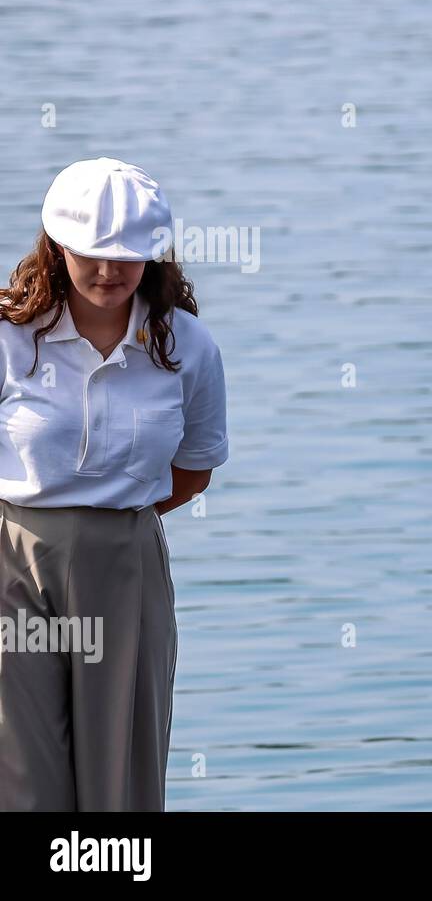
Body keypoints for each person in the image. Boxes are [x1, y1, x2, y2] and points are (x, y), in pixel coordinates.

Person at [0, 158, 229, 811]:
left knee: (120, 777)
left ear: (154, 253)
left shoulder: (187, 346)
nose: (108, 271)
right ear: (58, 248)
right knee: (17, 770)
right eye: (92, 254)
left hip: (124, 559)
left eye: (126, 255)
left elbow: (193, 469)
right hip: (10, 560)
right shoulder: (9, 337)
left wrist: (106, 523)